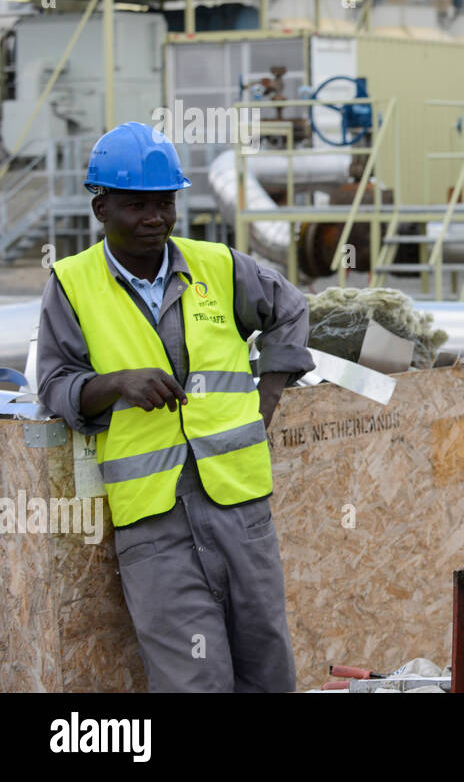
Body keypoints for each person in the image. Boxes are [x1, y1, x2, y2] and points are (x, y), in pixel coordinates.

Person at [37, 121, 313, 692]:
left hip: (239, 505)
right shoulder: (71, 284)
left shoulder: (218, 266)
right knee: (193, 679)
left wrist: (268, 395)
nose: (154, 219)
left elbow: (290, 308)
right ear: (101, 208)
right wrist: (115, 384)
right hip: (154, 519)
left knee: (267, 668)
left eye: (164, 204)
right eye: (136, 206)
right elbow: (56, 384)